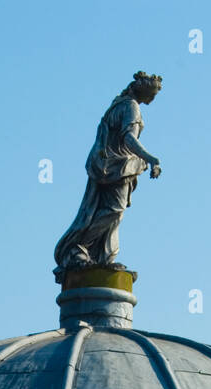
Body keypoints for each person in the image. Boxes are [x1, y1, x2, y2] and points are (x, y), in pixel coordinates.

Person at [53, 72, 163, 279]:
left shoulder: (117, 104)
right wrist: (151, 158)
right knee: (114, 210)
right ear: (142, 89)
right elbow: (129, 139)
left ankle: (101, 256)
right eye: (152, 93)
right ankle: (80, 246)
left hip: (106, 164)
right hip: (117, 166)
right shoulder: (131, 107)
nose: (153, 98)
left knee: (101, 209)